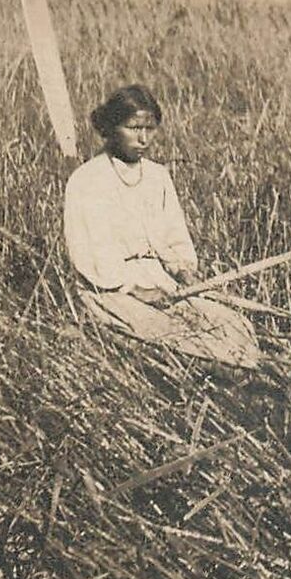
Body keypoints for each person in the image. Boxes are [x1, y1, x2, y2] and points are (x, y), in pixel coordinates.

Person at [64, 85, 260, 369]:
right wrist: (134, 289)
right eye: (133, 128)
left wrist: (183, 271)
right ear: (111, 127)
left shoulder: (158, 177)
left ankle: (260, 370)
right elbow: (93, 253)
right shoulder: (87, 180)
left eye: (150, 128)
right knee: (176, 336)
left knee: (230, 323)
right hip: (111, 291)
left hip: (163, 284)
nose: (143, 138)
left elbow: (174, 237)